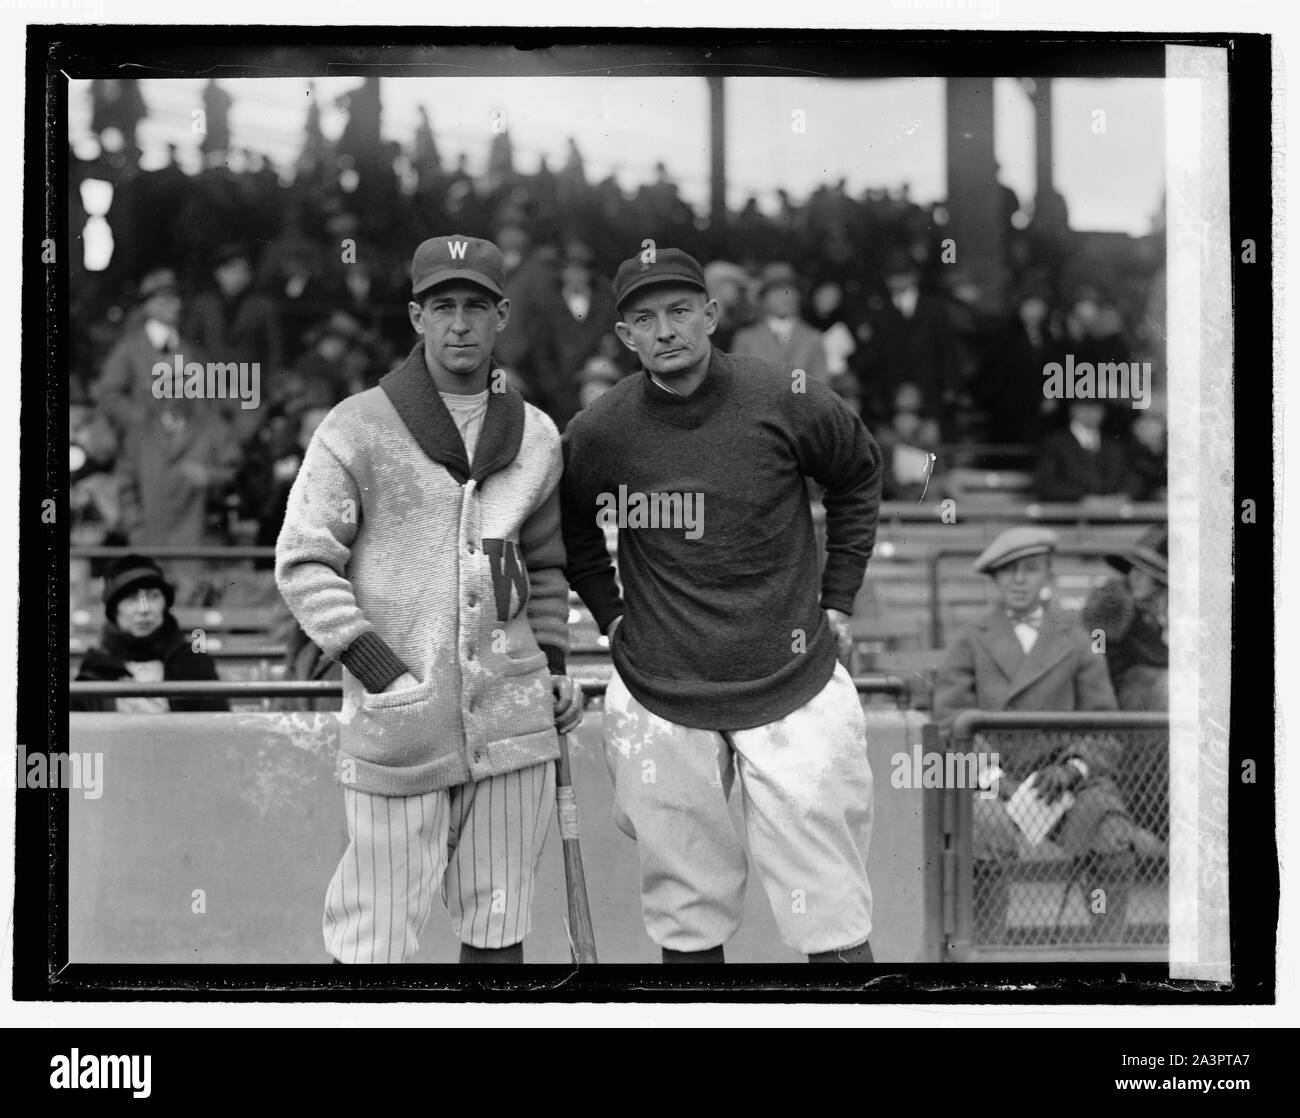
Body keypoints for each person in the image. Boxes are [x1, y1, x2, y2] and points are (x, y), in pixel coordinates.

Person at [562, 247, 883, 964]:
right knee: (687, 910)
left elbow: (859, 472)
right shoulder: (602, 429)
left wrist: (840, 600)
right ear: (624, 337)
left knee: (829, 907)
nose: (666, 330)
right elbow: (571, 525)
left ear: (711, 314)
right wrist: (611, 612)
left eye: (680, 311)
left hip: (790, 672)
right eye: (644, 319)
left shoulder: (785, 395)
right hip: (664, 681)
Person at [276, 233, 583, 965]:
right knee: (373, 942)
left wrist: (558, 663)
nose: (459, 324)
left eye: (476, 306)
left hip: (513, 722)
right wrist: (381, 671)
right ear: (416, 317)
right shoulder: (357, 424)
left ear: (502, 314)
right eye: (442, 305)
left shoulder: (536, 434)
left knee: (498, 931)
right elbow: (303, 560)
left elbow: (543, 566)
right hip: (399, 723)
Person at [932, 528, 1146, 866]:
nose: (1019, 581)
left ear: (1048, 575)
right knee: (986, 831)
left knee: (1111, 835)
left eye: (1030, 569)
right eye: (1007, 571)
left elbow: (1106, 726)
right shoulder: (970, 640)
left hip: (1061, 783)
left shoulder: (1077, 637)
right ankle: (989, 922)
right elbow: (949, 720)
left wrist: (1073, 769)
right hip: (990, 780)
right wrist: (992, 777)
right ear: (993, 578)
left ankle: (1109, 919)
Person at [72, 554, 228, 713]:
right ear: (114, 611)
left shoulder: (193, 661)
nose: (144, 609)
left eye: (153, 596)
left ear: (164, 604)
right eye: (131, 598)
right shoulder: (96, 669)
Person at [1082, 525, 1169, 711]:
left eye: (1147, 573)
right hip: (1118, 702)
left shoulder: (1179, 614)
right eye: (1133, 568)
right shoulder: (1107, 607)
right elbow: (1095, 658)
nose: (1135, 577)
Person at [730, 262, 830, 384]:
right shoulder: (746, 339)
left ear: (799, 296)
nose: (784, 296)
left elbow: (821, 391)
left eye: (789, 290)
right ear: (764, 297)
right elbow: (737, 387)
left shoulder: (813, 338)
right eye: (776, 290)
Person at [1035, 400, 1129, 502]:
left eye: (1096, 407)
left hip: (1110, 513)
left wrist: (1122, 496)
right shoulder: (1054, 443)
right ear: (1073, 410)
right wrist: (1082, 498)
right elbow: (1046, 484)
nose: (1091, 412)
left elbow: (1127, 478)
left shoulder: (1113, 446)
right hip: (1068, 513)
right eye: (1085, 407)